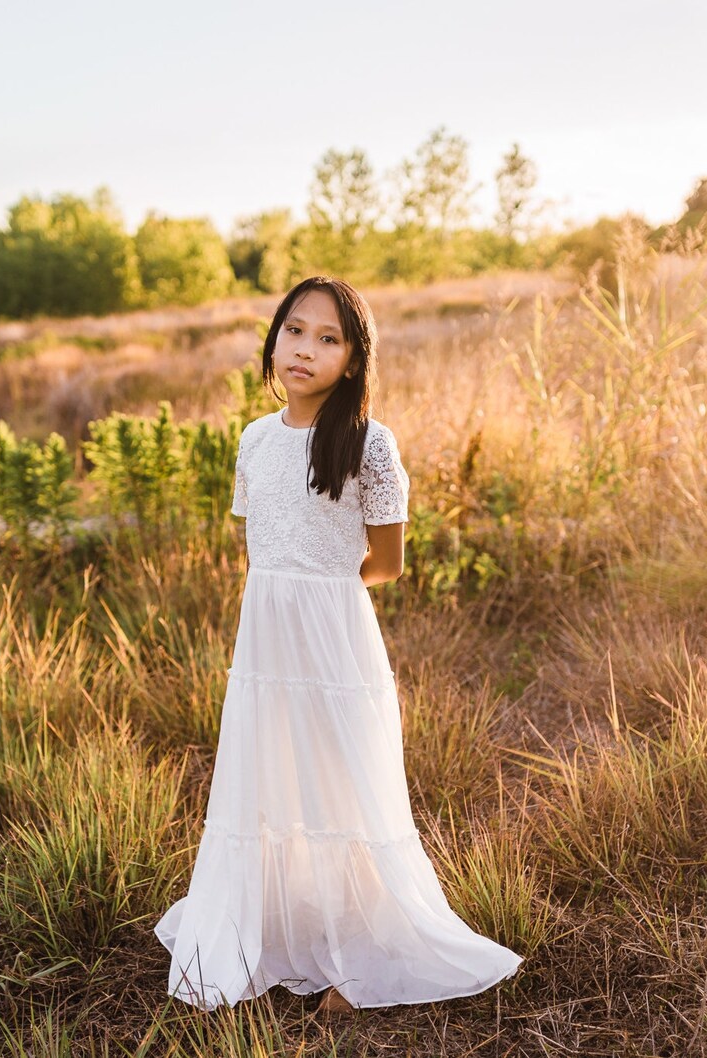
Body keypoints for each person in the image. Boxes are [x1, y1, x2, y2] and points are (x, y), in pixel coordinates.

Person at [153, 275, 523, 1013]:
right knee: (271, 782)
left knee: (341, 784)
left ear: (353, 361)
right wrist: (283, 599)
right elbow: (260, 545)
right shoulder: (255, 439)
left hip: (335, 642)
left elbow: (385, 565)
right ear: (274, 337)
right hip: (265, 642)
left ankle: (358, 962)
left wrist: (321, 589)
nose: (306, 349)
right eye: (295, 330)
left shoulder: (368, 444)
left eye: (329, 339)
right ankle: (278, 929)